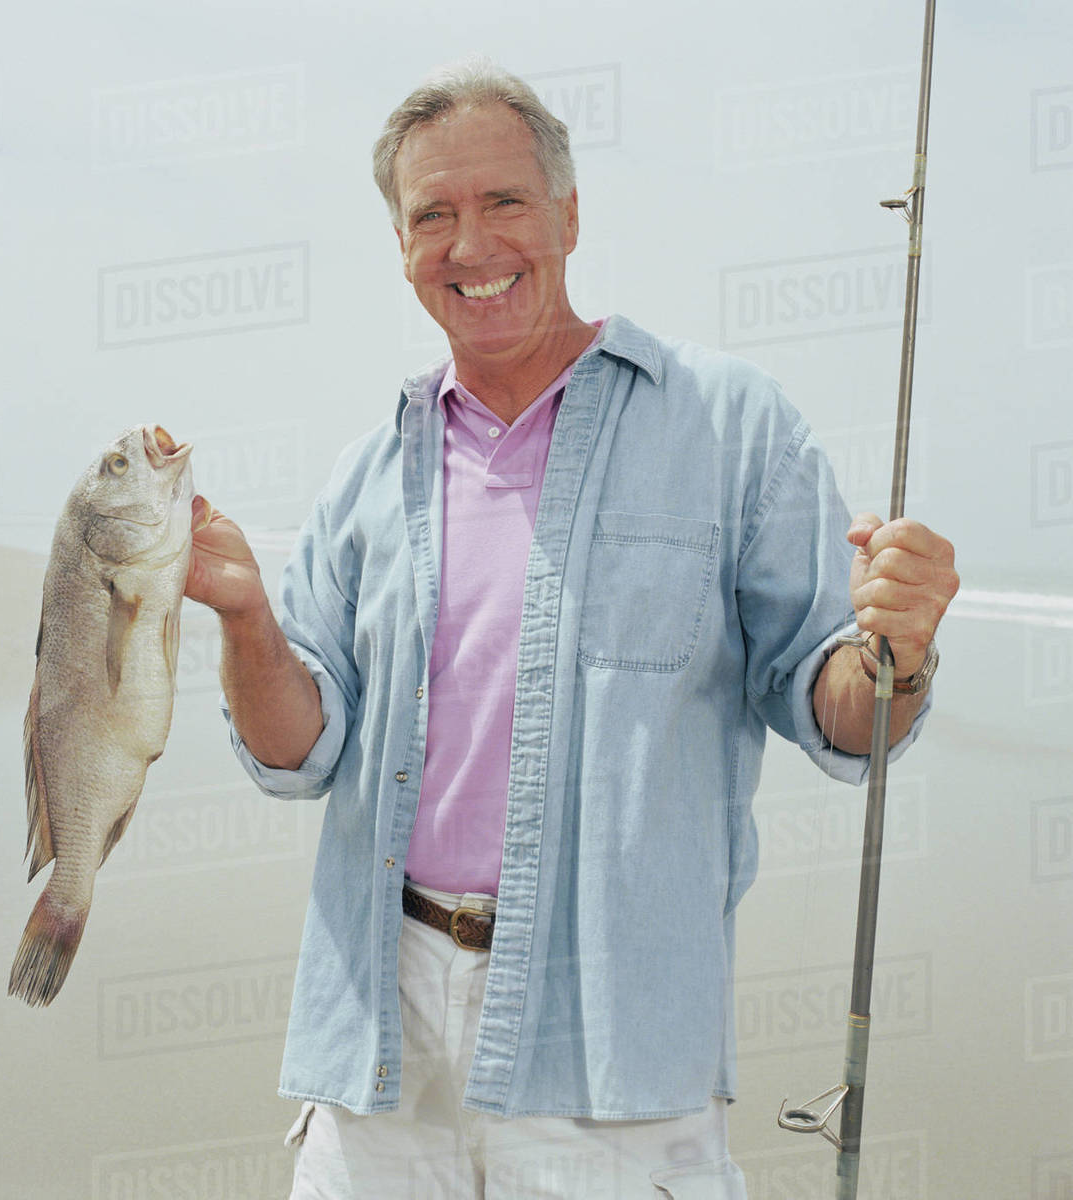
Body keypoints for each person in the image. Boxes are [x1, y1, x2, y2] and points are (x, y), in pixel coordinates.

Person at [184, 59, 959, 1200]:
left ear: (568, 215)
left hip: (617, 1039)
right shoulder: (365, 472)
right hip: (376, 1034)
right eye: (431, 216)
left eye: (502, 202)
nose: (470, 244)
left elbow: (840, 716)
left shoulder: (732, 423)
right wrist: (247, 619)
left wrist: (901, 645)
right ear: (400, 246)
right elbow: (301, 757)